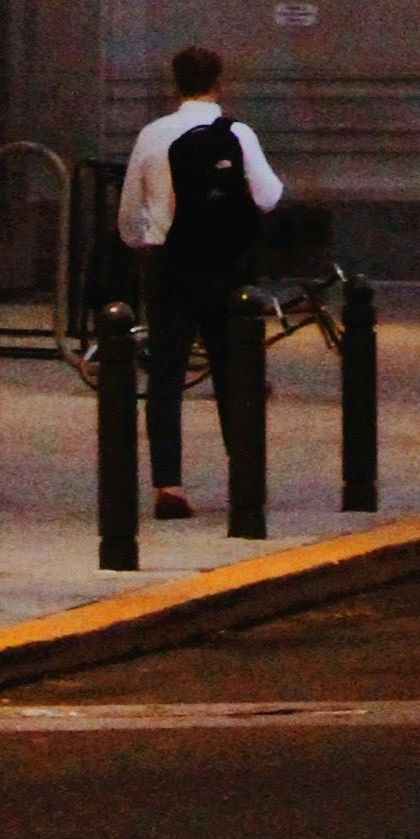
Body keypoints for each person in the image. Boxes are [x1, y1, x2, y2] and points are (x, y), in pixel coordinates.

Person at [114, 45, 282, 521]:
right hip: (228, 269)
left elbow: (129, 214)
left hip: (171, 266)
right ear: (219, 83)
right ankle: (242, 473)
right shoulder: (239, 134)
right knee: (235, 373)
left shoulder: (152, 135)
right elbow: (269, 196)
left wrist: (141, 242)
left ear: (175, 84)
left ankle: (169, 483)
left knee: (166, 373)